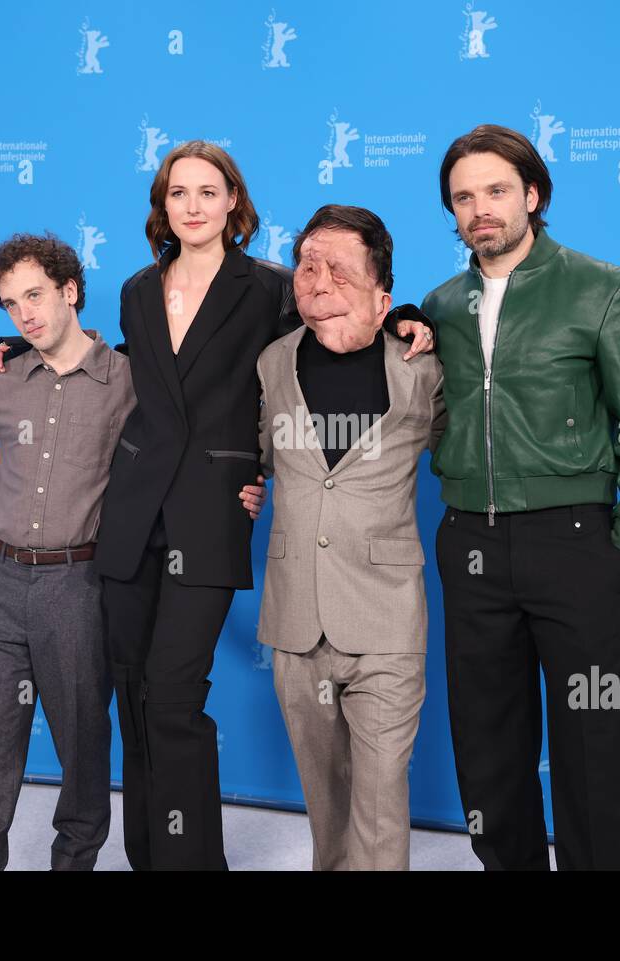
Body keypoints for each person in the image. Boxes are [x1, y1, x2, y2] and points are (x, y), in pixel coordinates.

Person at [0, 141, 434, 870]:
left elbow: (340, 320)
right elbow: (124, 362)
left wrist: (408, 317)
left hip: (213, 510)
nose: (191, 206)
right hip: (129, 515)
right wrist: (33, 339)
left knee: (172, 696)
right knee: (131, 696)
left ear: (234, 202)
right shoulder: (136, 288)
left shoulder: (271, 287)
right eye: (176, 194)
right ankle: (147, 856)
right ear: (162, 208)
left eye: (206, 191)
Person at [420, 124, 620, 870]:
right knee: (488, 745)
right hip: (470, 541)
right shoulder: (441, 306)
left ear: (532, 195)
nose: (481, 209)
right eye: (463, 198)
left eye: (497, 190)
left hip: (574, 540)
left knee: (597, 744)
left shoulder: (602, 288)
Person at [255, 205, 445, 870]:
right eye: (308, 263)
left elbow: (475, 456)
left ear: (382, 295)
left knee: (380, 792)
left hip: (387, 617)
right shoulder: (270, 363)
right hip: (295, 615)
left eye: (339, 266)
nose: (318, 276)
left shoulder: (422, 366)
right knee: (327, 798)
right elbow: (236, 448)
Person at [0, 231, 135, 870]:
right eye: (10, 303)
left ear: (70, 292)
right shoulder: (1, 380)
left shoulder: (124, 381)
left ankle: (73, 861)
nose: (25, 313)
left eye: (36, 295)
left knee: (82, 740)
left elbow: (180, 447)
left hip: (77, 587)